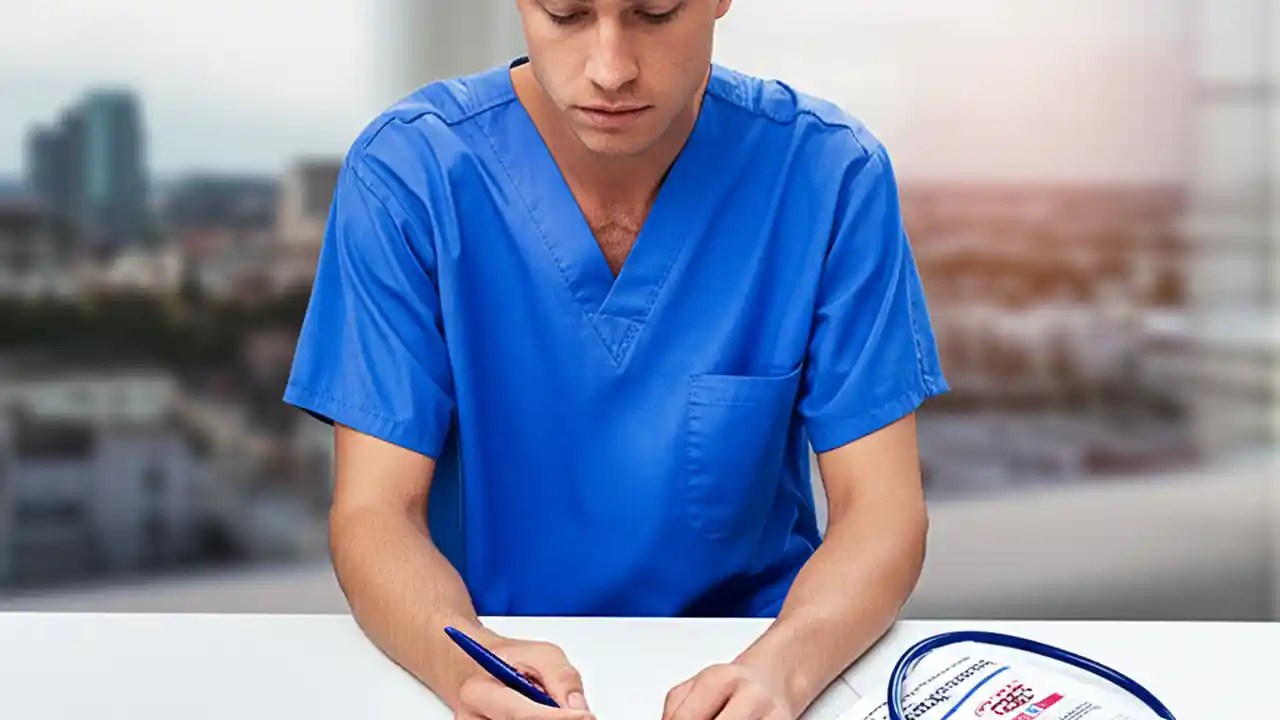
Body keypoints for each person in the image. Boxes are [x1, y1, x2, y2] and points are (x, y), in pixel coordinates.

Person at [282, 1, 950, 718]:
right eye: (565, 13)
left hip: (758, 663)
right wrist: (467, 662)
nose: (610, 70)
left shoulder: (829, 176)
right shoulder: (409, 176)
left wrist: (781, 669)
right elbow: (375, 513)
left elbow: (881, 513)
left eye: (655, 12)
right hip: (498, 660)